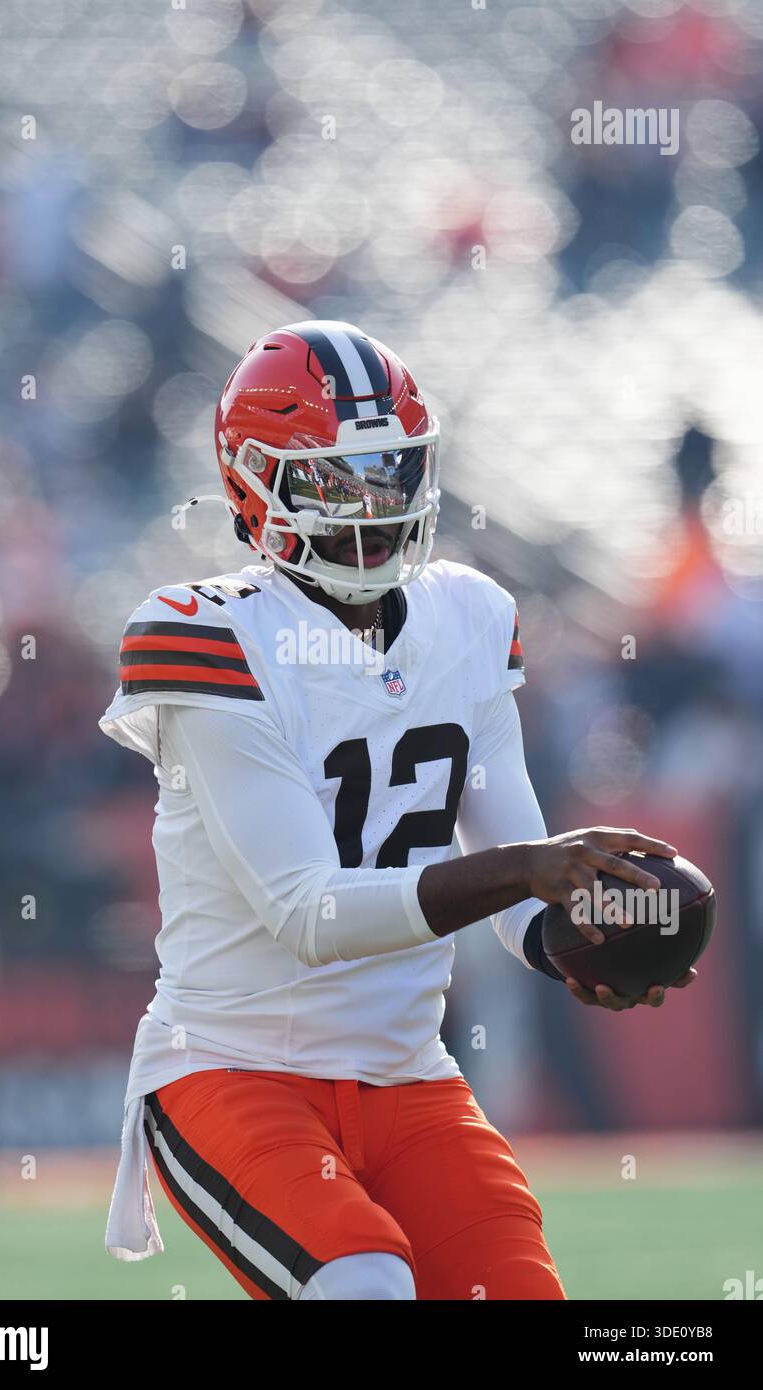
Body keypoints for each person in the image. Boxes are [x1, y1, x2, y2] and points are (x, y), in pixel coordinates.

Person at [99, 320, 694, 1300]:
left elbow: (514, 885)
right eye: (338, 480)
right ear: (258, 482)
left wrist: (573, 937)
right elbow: (307, 913)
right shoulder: (204, 632)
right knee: (360, 1284)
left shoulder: (466, 615)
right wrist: (526, 870)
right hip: (230, 1069)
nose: (373, 507)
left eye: (390, 474)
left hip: (403, 1074)